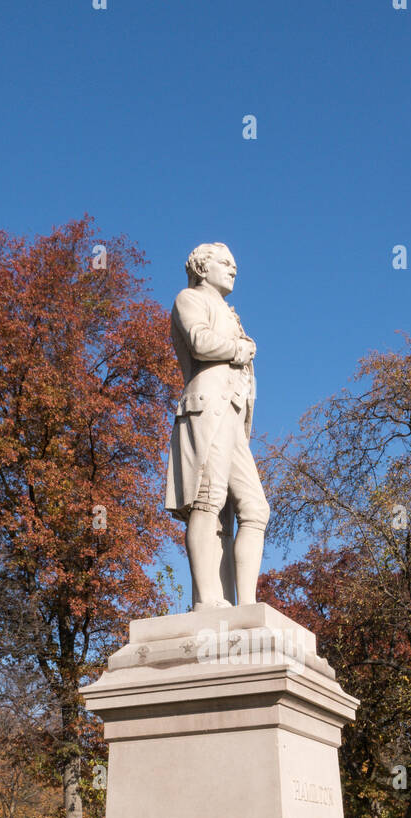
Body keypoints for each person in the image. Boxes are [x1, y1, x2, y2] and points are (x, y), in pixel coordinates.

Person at [165, 243, 269, 609]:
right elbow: (198, 341)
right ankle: (208, 600)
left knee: (256, 510)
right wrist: (240, 349)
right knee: (206, 502)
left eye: (235, 264)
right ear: (202, 267)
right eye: (225, 262)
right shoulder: (190, 297)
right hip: (208, 410)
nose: (234, 268)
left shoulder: (229, 310)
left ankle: (248, 606)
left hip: (233, 417)